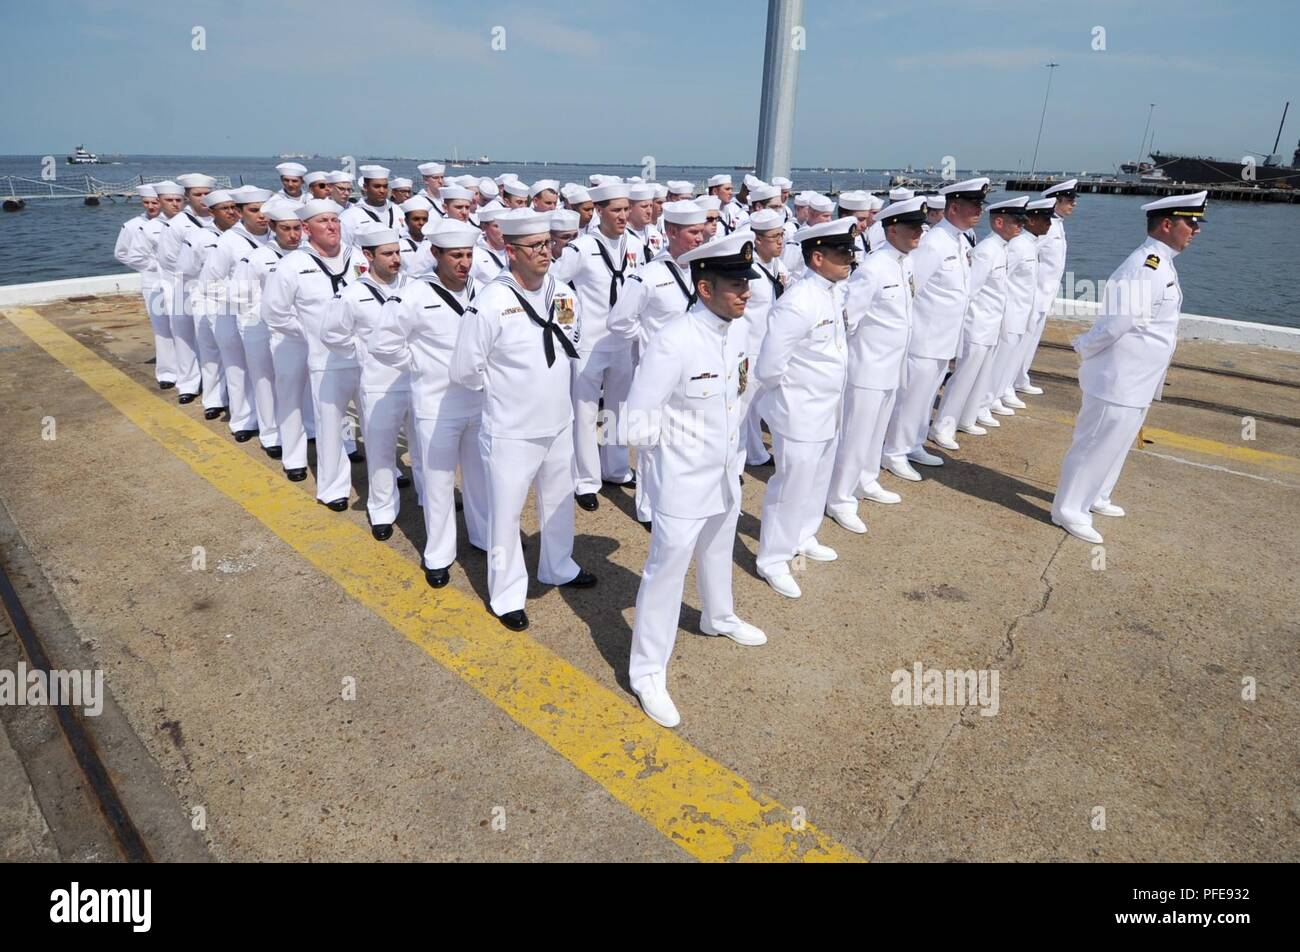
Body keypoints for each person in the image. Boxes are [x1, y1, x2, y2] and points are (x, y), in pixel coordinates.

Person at [624, 231, 769, 728]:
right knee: (665, 574)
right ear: (704, 288)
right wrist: (676, 459)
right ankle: (647, 672)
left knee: (717, 549)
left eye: (746, 281)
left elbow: (742, 393)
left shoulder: (739, 332)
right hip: (683, 481)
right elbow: (637, 423)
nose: (745, 291)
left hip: (725, 472)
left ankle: (718, 616)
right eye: (734, 283)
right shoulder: (673, 341)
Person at [449, 209, 594, 631]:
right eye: (534, 247)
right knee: (506, 514)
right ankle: (507, 593)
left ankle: (558, 565)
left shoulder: (563, 292)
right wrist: (504, 393)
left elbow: (572, 342)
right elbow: (464, 370)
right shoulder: (492, 300)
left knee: (558, 501)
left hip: (558, 420)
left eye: (548, 245)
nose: (545, 253)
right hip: (511, 429)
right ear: (511, 251)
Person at [1051, 192, 1206, 544]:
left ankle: (1096, 496)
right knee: (1093, 443)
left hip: (1138, 378)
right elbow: (1116, 325)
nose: (1196, 230)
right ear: (1167, 224)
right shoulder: (1146, 266)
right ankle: (1068, 509)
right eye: (1190, 222)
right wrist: (1084, 348)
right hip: (1118, 378)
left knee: (1116, 443)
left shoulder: (1162, 262)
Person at [372, 220, 488, 584]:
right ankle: (439, 554)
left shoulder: (485, 291)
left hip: (479, 401)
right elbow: (384, 343)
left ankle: (483, 536)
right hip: (436, 404)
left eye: (469, 255)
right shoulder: (414, 294)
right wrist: (418, 366)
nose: (464, 262)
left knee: (480, 477)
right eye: (456, 255)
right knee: (438, 483)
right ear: (436, 254)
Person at [754, 217, 858, 598]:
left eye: (849, 253)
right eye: (841, 254)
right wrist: (791, 402)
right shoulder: (798, 301)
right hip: (799, 410)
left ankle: (803, 535)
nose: (849, 260)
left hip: (827, 407)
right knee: (790, 484)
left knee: (817, 479)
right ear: (817, 258)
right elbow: (769, 367)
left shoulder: (833, 292)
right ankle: (772, 558)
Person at [824, 196, 927, 530]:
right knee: (855, 435)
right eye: (912, 228)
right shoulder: (872, 268)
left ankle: (866, 480)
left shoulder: (904, 263)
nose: (919, 234)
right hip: (867, 367)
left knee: (876, 431)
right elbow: (849, 319)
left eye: (921, 228)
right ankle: (839, 498)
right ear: (892, 229)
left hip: (891, 364)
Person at [880, 178, 989, 482]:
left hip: (944, 337)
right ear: (954, 207)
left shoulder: (957, 240)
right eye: (974, 205)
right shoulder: (934, 242)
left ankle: (913, 442)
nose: (979, 211)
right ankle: (893, 452)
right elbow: (914, 290)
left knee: (926, 397)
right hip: (924, 338)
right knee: (911, 397)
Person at [608, 199, 708, 524]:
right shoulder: (647, 275)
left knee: (688, 438)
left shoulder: (704, 270)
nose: (700, 237)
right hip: (658, 372)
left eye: (702, 230)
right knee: (653, 444)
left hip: (694, 371)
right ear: (673, 232)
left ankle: (679, 498)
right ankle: (649, 509)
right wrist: (651, 341)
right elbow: (619, 321)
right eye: (693, 232)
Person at [262, 198, 366, 508]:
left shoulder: (359, 257)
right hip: (324, 359)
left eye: (335, 220)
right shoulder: (292, 264)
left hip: (364, 356)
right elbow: (274, 312)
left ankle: (385, 477)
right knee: (329, 424)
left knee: (375, 421)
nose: (333, 226)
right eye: (324, 221)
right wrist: (309, 334)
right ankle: (334, 488)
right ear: (307, 229)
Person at [550, 182, 644, 510]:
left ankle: (616, 469)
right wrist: (568, 325)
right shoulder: (582, 247)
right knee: (586, 412)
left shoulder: (636, 243)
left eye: (625, 209)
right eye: (615, 210)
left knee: (617, 408)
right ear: (599, 211)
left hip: (623, 341)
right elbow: (554, 284)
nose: (622, 216)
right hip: (589, 341)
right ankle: (586, 480)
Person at [322, 226, 418, 539]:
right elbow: (332, 334)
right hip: (378, 384)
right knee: (380, 451)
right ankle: (382, 510)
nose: (395, 259)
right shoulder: (353, 294)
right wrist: (363, 354)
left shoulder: (415, 287)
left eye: (398, 253)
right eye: (388, 254)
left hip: (417, 380)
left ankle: (431, 500)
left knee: (424, 448)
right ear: (369, 256)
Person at [930, 196, 1026, 450]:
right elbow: (970, 291)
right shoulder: (986, 250)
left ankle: (966, 418)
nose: (1021, 226)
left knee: (980, 377)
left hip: (991, 324)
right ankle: (942, 427)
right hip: (977, 325)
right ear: (999, 222)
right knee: (963, 378)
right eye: (1016, 221)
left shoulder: (1002, 248)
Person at [230, 198, 309, 461]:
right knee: (265, 381)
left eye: (297, 228)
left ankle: (308, 428)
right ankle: (271, 434)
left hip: (299, 329)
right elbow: (241, 297)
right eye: (286, 229)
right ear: (273, 227)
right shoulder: (257, 258)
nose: (293, 234)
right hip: (261, 327)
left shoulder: (307, 254)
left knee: (304, 383)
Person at [200, 186, 274, 442]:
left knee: (269, 374)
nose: (261, 216)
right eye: (254, 211)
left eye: (265, 210)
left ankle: (273, 424)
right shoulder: (228, 242)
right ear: (241, 212)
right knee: (238, 367)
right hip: (235, 313)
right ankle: (243, 419)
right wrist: (245, 296)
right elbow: (208, 284)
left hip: (274, 316)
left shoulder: (278, 236)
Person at [175, 185, 238, 420]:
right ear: (212, 212)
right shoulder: (199, 237)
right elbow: (186, 270)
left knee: (238, 355)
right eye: (225, 209)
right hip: (209, 300)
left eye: (233, 207)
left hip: (242, 300)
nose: (231, 212)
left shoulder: (244, 236)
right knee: (211, 351)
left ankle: (237, 399)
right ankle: (213, 400)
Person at [156, 172, 217, 405]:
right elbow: (169, 259)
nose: (203, 198)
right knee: (184, 336)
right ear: (188, 197)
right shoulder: (177, 224)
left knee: (211, 340)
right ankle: (188, 383)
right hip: (185, 286)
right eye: (198, 194)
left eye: (207, 194)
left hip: (218, 290)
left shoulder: (222, 219)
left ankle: (214, 388)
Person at [1014, 178, 1077, 399]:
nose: (1073, 204)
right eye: (1070, 200)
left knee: (1031, 342)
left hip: (1045, 295)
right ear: (1057, 200)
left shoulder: (1056, 225)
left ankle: (1020, 378)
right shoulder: (1047, 228)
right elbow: (1028, 254)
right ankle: (1009, 383)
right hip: (1034, 294)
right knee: (1021, 343)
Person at [739, 207, 789, 467]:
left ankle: (755, 451)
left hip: (771, 344)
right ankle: (745, 455)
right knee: (744, 407)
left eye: (781, 235)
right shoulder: (747, 267)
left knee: (758, 406)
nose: (780, 241)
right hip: (750, 345)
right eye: (774, 237)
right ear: (757, 240)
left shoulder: (778, 264)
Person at [120, 183, 175, 390]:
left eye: (155, 202)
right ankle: (167, 372)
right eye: (147, 203)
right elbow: (123, 253)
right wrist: (153, 266)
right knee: (162, 329)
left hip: (177, 282)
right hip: (153, 283)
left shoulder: (177, 223)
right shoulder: (133, 225)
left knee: (183, 327)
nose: (151, 207)